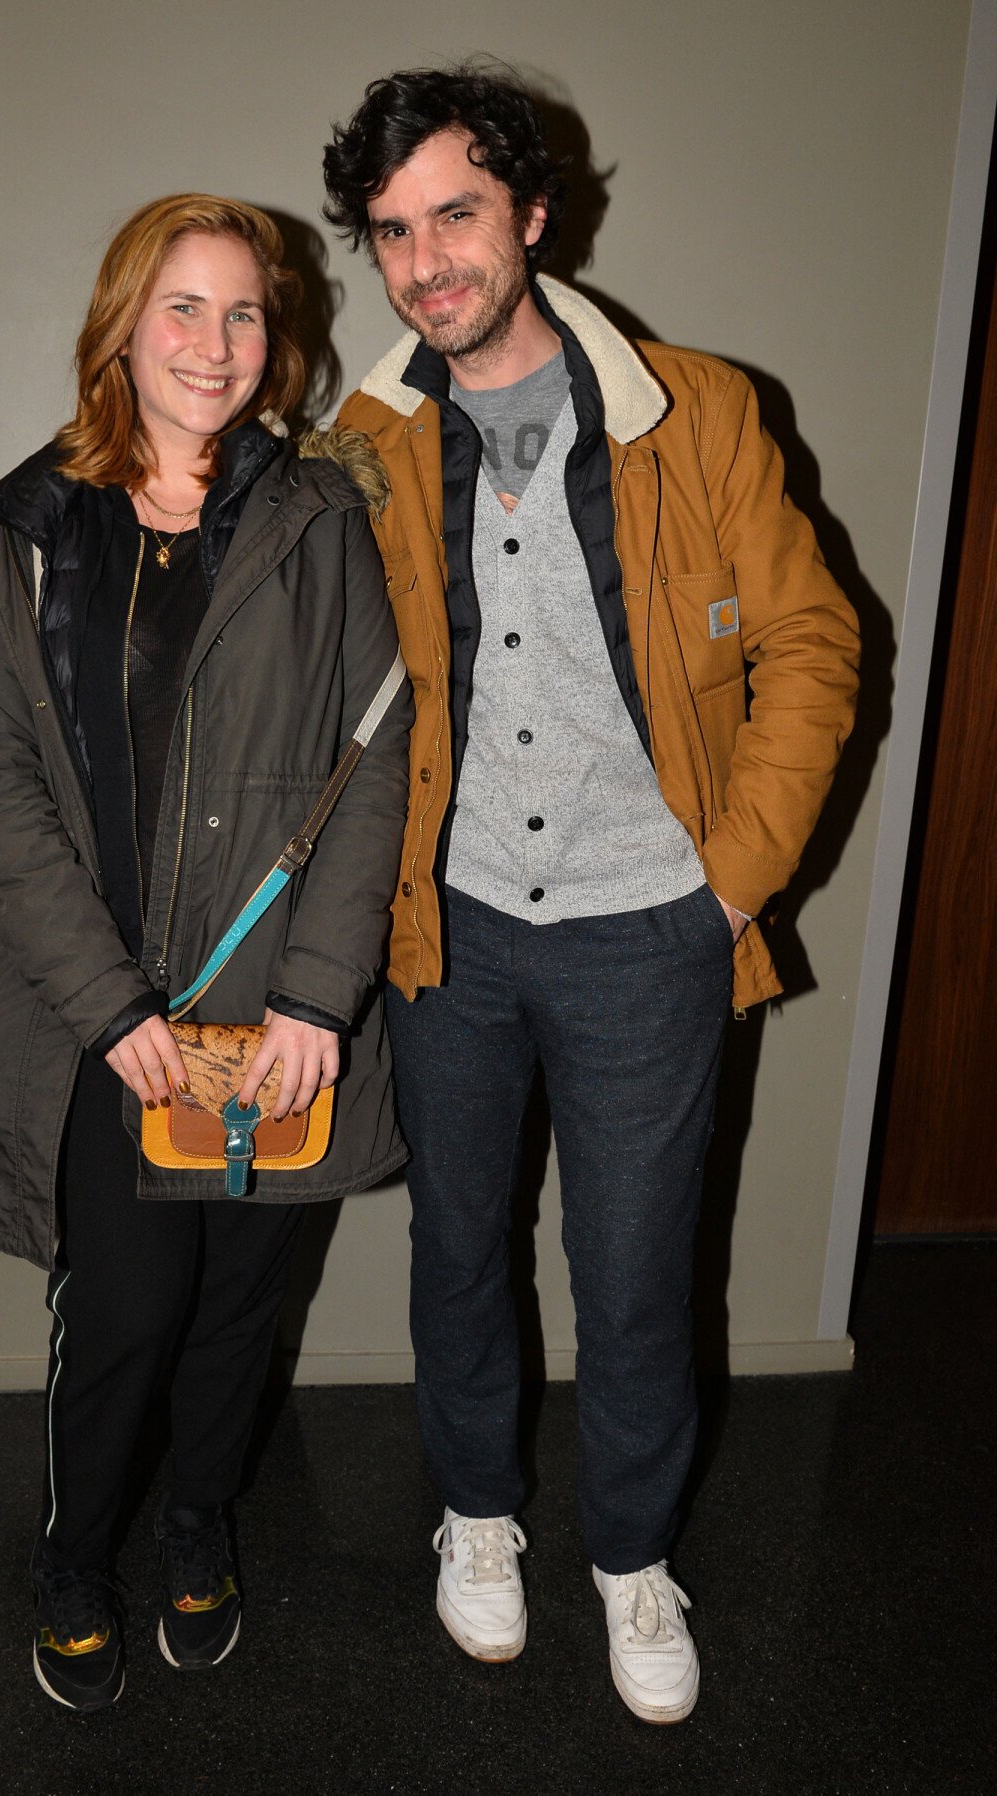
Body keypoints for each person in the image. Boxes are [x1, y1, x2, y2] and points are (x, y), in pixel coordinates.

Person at [323, 67, 859, 1722]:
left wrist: (730, 885)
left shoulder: (699, 410)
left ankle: (632, 1556)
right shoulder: (365, 442)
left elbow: (811, 643)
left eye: (457, 215)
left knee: (634, 1275)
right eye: (392, 231)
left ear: (535, 215)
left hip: (652, 932)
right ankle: (478, 1517)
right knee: (459, 1253)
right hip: (453, 924)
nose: (426, 262)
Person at [0, 193, 410, 1711]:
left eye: (243, 312)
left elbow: (373, 761)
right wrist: (110, 1006)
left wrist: (320, 994)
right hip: (99, 1022)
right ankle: (73, 1559)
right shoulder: (30, 534)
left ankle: (197, 1527)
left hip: (273, 1017)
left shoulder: (319, 523)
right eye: (183, 306)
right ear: (122, 326)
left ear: (275, 340)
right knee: (123, 1317)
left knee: (241, 1312)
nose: (214, 342)